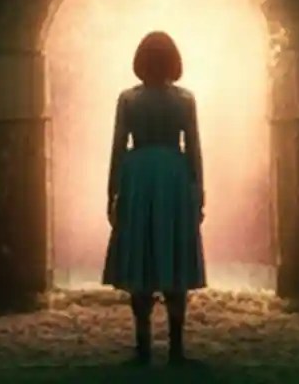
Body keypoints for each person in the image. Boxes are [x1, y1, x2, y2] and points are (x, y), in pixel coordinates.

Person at [102, 31, 207, 365]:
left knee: (141, 255)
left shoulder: (129, 99)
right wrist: (198, 190)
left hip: (138, 177)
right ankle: (176, 347)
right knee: (174, 253)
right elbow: (194, 148)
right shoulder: (185, 99)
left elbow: (118, 146)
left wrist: (112, 192)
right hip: (173, 177)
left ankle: (143, 345)